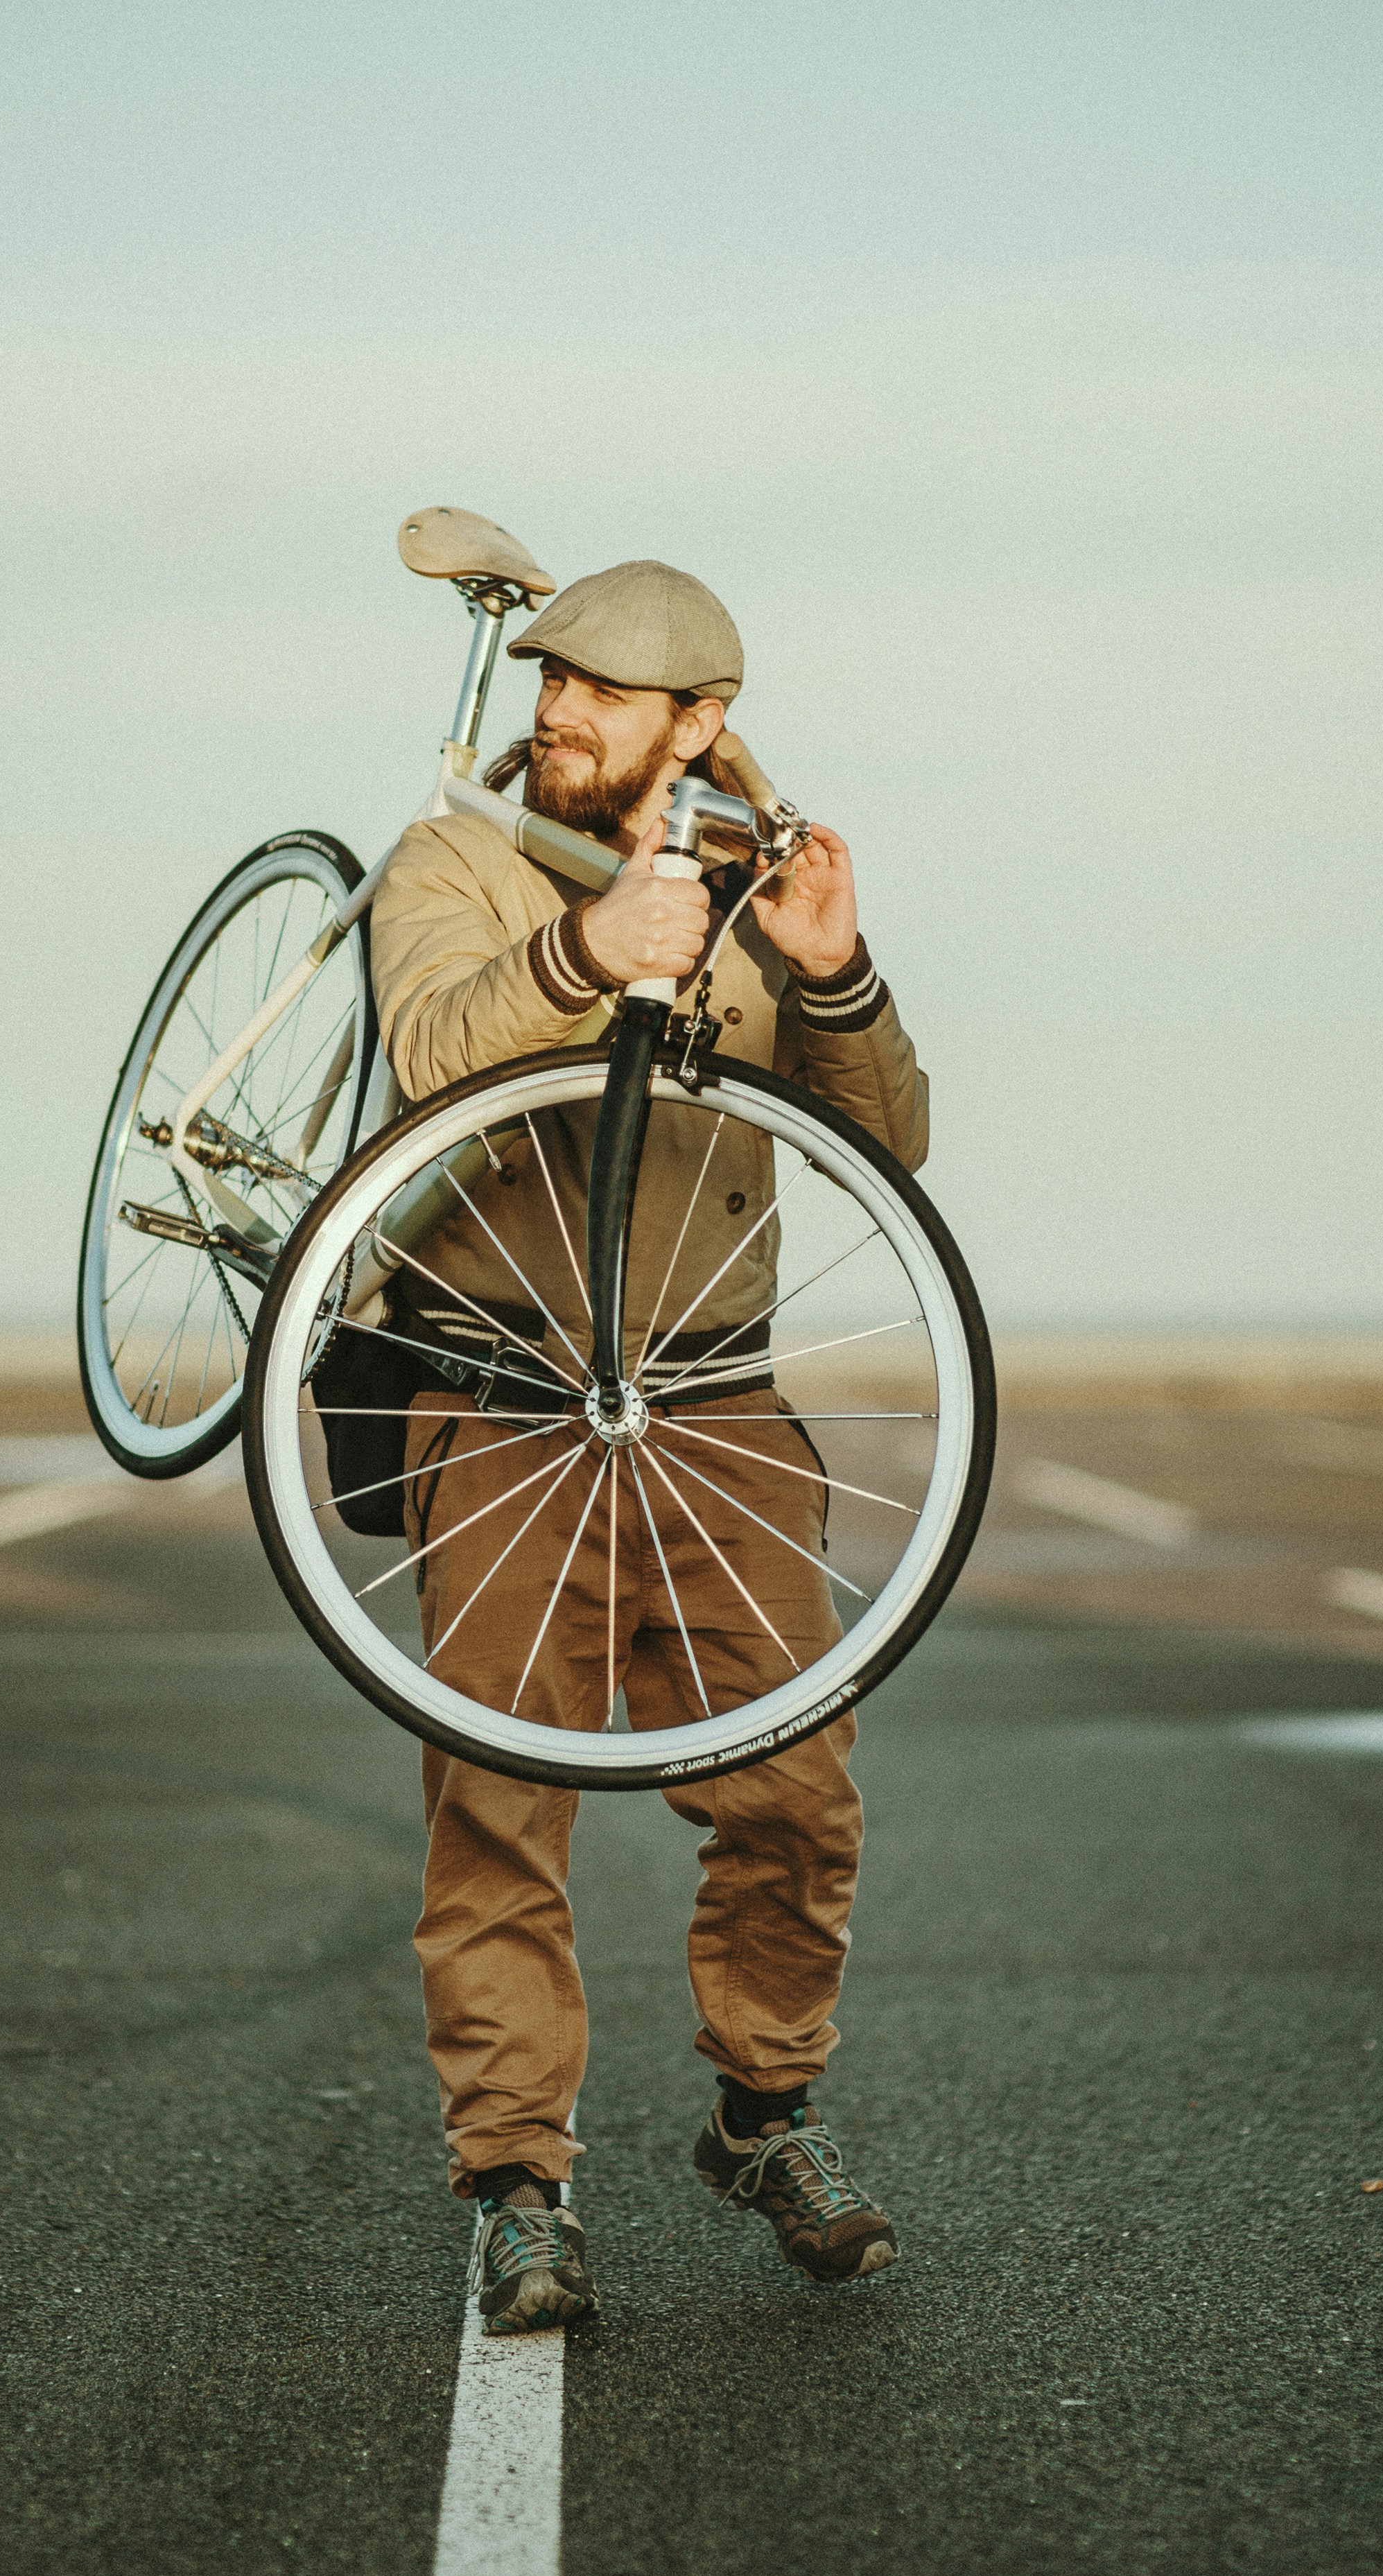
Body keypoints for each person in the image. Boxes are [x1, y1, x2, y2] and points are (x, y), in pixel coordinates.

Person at [367, 559, 930, 2331]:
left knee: (795, 1796)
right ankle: (519, 2188)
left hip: (716, 1412)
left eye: (607, 692)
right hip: (509, 1400)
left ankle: (765, 2118)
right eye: (551, 679)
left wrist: (833, 981)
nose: (561, 711)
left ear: (698, 721)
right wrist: (581, 954)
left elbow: (895, 1148)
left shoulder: (765, 874)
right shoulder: (453, 858)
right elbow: (429, 1048)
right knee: (497, 1816)